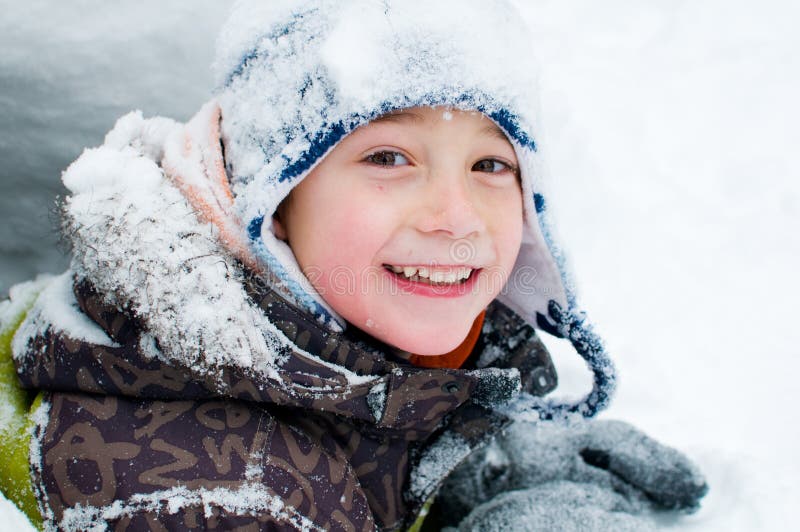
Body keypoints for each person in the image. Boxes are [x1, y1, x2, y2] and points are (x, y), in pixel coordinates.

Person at [0, 1, 707, 530]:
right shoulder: (225, 497)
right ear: (265, 201)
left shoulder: (348, 353)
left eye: (491, 163)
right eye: (388, 158)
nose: (456, 215)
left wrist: (481, 469)